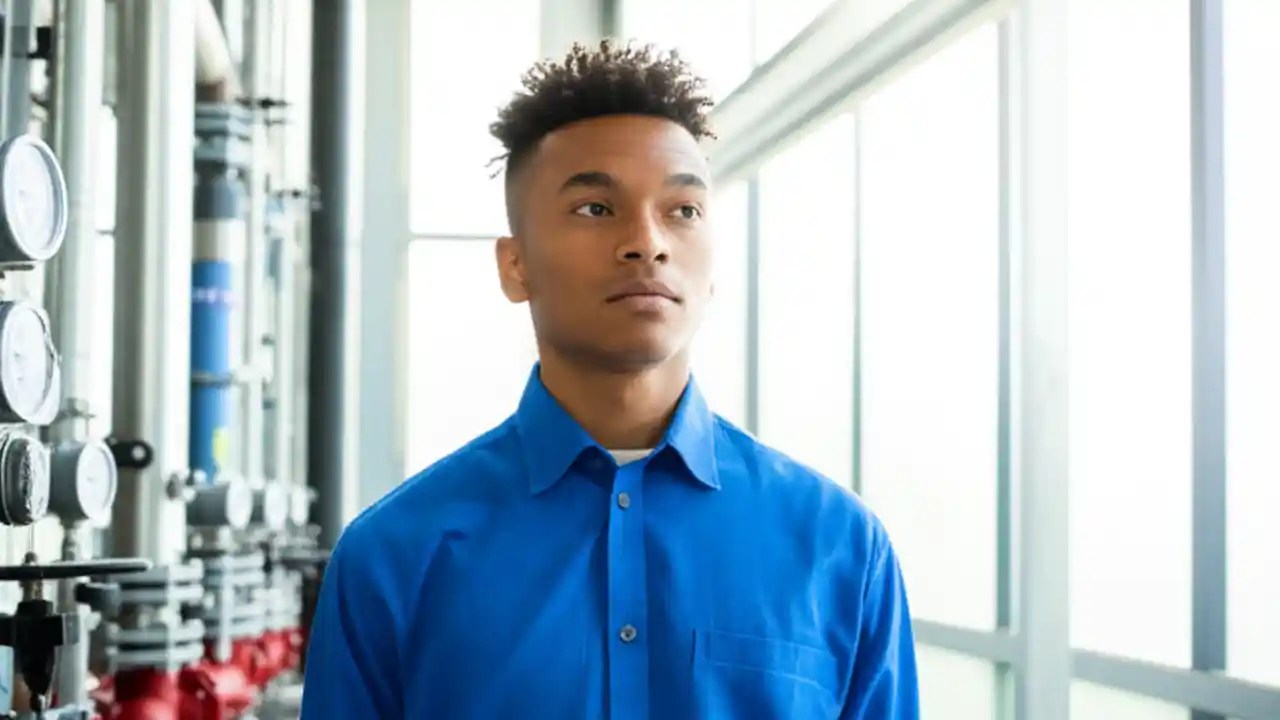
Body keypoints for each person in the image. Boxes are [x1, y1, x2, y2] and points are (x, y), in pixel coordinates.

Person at [299, 40, 919, 719]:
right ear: (515, 267)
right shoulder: (395, 556)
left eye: (682, 211)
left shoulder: (839, 546)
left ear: (711, 267)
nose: (647, 241)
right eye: (596, 208)